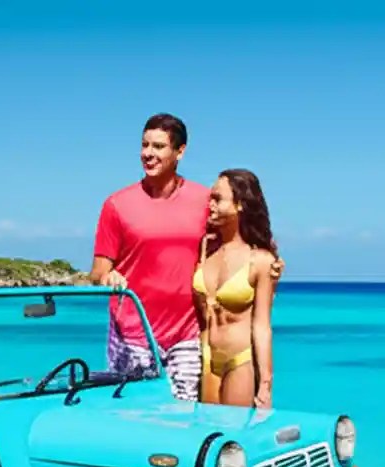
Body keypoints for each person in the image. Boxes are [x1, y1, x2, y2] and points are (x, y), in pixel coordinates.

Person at [90, 112, 282, 401]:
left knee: (187, 422)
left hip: (188, 336)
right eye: (144, 145)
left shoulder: (205, 201)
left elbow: (237, 236)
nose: (148, 154)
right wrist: (109, 276)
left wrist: (270, 261)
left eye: (158, 147)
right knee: (136, 418)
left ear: (180, 151)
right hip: (133, 335)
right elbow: (98, 272)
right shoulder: (116, 205)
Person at [192, 169, 281, 408]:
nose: (209, 204)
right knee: (209, 436)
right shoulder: (205, 250)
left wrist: (266, 383)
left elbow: (262, 326)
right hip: (207, 357)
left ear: (240, 204)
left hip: (240, 359)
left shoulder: (260, 261)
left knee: (236, 437)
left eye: (217, 199)